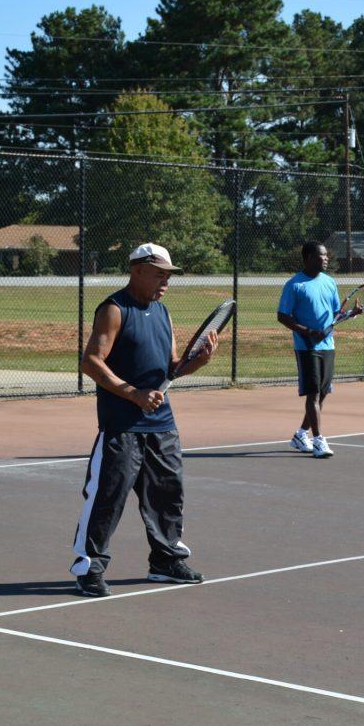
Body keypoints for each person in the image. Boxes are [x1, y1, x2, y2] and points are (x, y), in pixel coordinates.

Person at [69, 242, 218, 598]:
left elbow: (170, 368)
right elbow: (91, 361)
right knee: (107, 498)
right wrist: (134, 393)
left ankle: (165, 561)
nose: (165, 281)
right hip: (122, 425)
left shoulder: (163, 313)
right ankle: (89, 567)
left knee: (167, 496)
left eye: (168, 275)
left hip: (162, 425)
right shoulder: (114, 309)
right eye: (159, 273)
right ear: (136, 270)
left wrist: (197, 363)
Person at [276, 240, 359, 458]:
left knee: (321, 393)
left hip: (327, 345)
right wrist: (306, 331)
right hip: (306, 347)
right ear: (309, 258)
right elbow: (282, 316)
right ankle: (319, 440)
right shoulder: (295, 285)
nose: (326, 259)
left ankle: (301, 433)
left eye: (326, 256)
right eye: (322, 256)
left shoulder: (330, 282)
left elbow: (334, 314)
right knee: (313, 393)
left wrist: (351, 314)